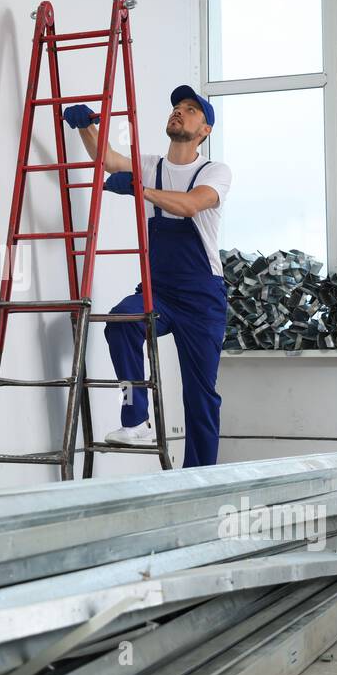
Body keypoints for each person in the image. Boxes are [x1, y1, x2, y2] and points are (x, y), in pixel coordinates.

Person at [62, 86, 231, 467]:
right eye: (176, 107)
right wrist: (87, 127)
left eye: (191, 110)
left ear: (205, 131)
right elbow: (107, 159)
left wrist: (141, 191)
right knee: (121, 322)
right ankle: (136, 416)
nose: (179, 113)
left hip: (203, 297)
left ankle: (199, 479)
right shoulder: (151, 164)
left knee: (200, 394)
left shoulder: (214, 172)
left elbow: (190, 206)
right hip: (159, 289)